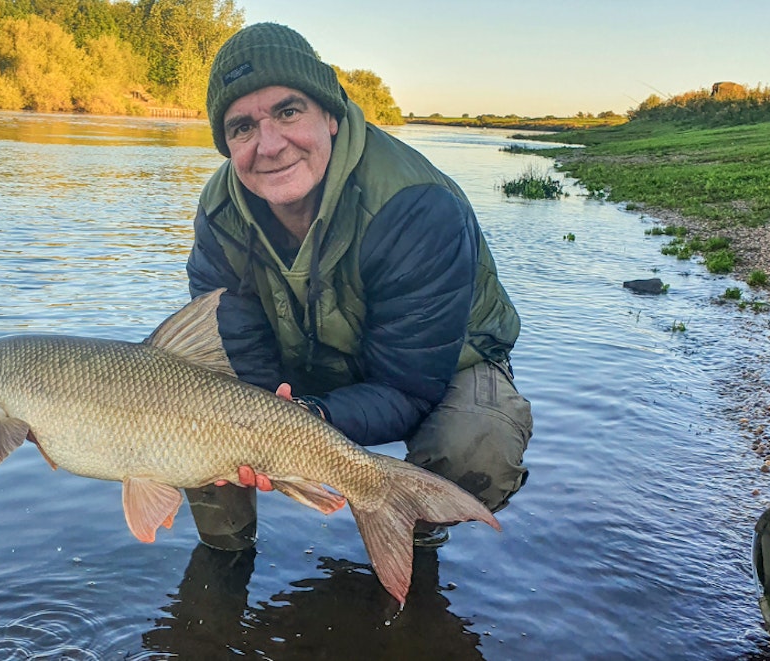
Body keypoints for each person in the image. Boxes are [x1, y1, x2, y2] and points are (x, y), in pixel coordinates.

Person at [183, 22, 533, 551]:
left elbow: (409, 387)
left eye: (288, 111)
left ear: (331, 113)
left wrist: (306, 422)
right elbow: (237, 357)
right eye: (241, 128)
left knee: (474, 448)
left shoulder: (415, 205)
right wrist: (259, 430)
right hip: (305, 360)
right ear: (226, 144)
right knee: (178, 416)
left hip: (441, 365)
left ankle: (413, 543)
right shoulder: (219, 214)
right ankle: (223, 569)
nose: (269, 144)